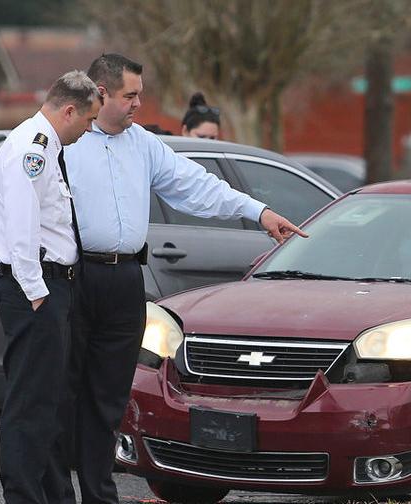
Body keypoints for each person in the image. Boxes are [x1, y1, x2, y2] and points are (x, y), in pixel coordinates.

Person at [59, 53, 306, 504]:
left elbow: (197, 186)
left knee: (109, 398)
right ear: (101, 94)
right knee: (63, 393)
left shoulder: (144, 145)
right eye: (130, 95)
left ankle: (98, 495)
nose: (139, 103)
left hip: (125, 281)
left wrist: (259, 212)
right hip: (75, 278)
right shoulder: (66, 140)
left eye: (140, 93)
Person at [0, 70, 101, 504]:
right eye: (87, 121)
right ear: (69, 110)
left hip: (53, 286)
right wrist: (36, 292)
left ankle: (49, 494)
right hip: (36, 289)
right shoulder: (31, 148)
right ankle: (23, 495)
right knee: (31, 404)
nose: (88, 130)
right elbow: (22, 225)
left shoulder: (46, 145)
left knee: (49, 402)